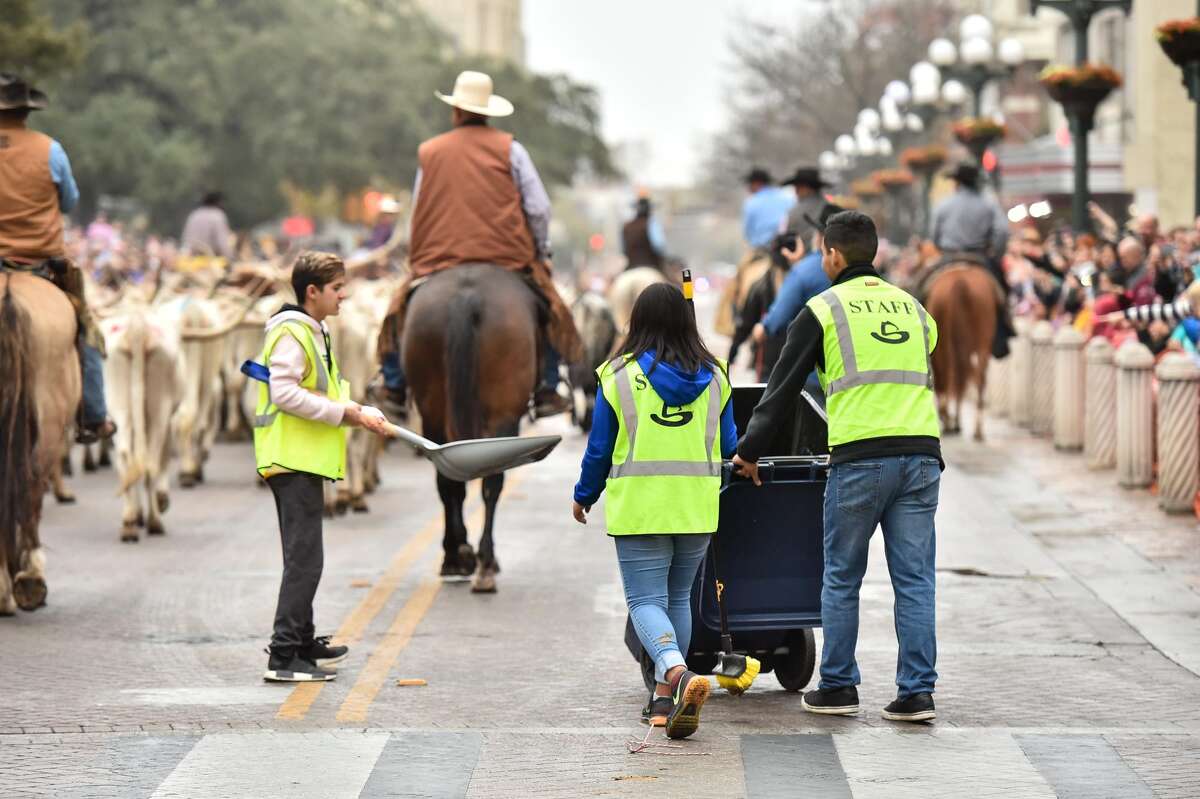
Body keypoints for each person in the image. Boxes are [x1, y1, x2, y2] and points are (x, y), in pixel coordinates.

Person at [733, 211, 942, 723]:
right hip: (921, 457)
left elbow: (780, 389)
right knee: (914, 580)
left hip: (860, 460)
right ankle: (916, 693)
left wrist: (749, 451)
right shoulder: (913, 307)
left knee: (842, 576)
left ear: (831, 254)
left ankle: (839, 686)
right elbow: (925, 351)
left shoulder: (822, 310)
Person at [571, 282, 737, 739]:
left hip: (642, 509)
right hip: (696, 508)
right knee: (678, 598)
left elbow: (600, 447)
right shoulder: (716, 375)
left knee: (646, 601)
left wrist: (585, 494)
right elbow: (730, 446)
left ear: (636, 322)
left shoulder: (617, 375)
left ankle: (678, 674)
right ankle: (664, 701)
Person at [377, 70, 582, 418]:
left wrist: (421, 252)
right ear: (488, 113)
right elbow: (538, 208)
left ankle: (393, 384)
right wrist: (540, 250)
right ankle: (549, 385)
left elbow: (419, 209)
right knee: (551, 310)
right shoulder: (512, 150)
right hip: (507, 258)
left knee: (398, 311)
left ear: (455, 111)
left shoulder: (430, 153)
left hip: (439, 257)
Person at [254, 251, 393, 682]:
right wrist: (347, 415)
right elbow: (284, 393)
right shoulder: (294, 332)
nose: (344, 295)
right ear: (311, 292)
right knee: (304, 560)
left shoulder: (313, 328)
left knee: (305, 557)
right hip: (291, 458)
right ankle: (283, 654)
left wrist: (356, 409)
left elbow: (321, 391)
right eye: (336, 288)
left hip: (303, 457)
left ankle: (303, 641)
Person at [0, 74, 113, 444]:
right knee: (83, 325)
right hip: (41, 262)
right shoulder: (51, 149)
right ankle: (93, 414)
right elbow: (68, 201)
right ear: (26, 110)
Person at [931, 162, 1011, 356]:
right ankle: (1003, 333)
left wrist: (942, 247)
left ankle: (921, 333)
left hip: (949, 256)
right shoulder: (988, 203)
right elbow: (1002, 232)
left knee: (919, 287)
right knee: (1002, 291)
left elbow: (933, 235)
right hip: (979, 257)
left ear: (957, 183)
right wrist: (995, 255)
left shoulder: (943, 205)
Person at [742, 167, 795, 252]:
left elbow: (748, 232)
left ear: (756, 183)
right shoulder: (786, 197)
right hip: (787, 245)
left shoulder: (751, 202)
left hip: (763, 248)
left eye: (750, 184)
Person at [780, 166, 830, 243]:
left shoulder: (795, 212)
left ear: (806, 188)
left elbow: (786, 235)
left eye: (798, 187)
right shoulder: (830, 207)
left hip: (801, 252)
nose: (796, 191)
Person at [180, 191, 234, 260]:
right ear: (217, 202)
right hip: (210, 260)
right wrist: (230, 257)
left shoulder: (194, 215)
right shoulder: (217, 215)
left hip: (191, 259)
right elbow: (223, 243)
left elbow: (186, 239)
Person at [622, 197, 666, 271]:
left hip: (631, 266)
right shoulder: (652, 223)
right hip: (652, 266)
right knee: (674, 280)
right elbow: (659, 245)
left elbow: (623, 250)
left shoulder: (627, 226)